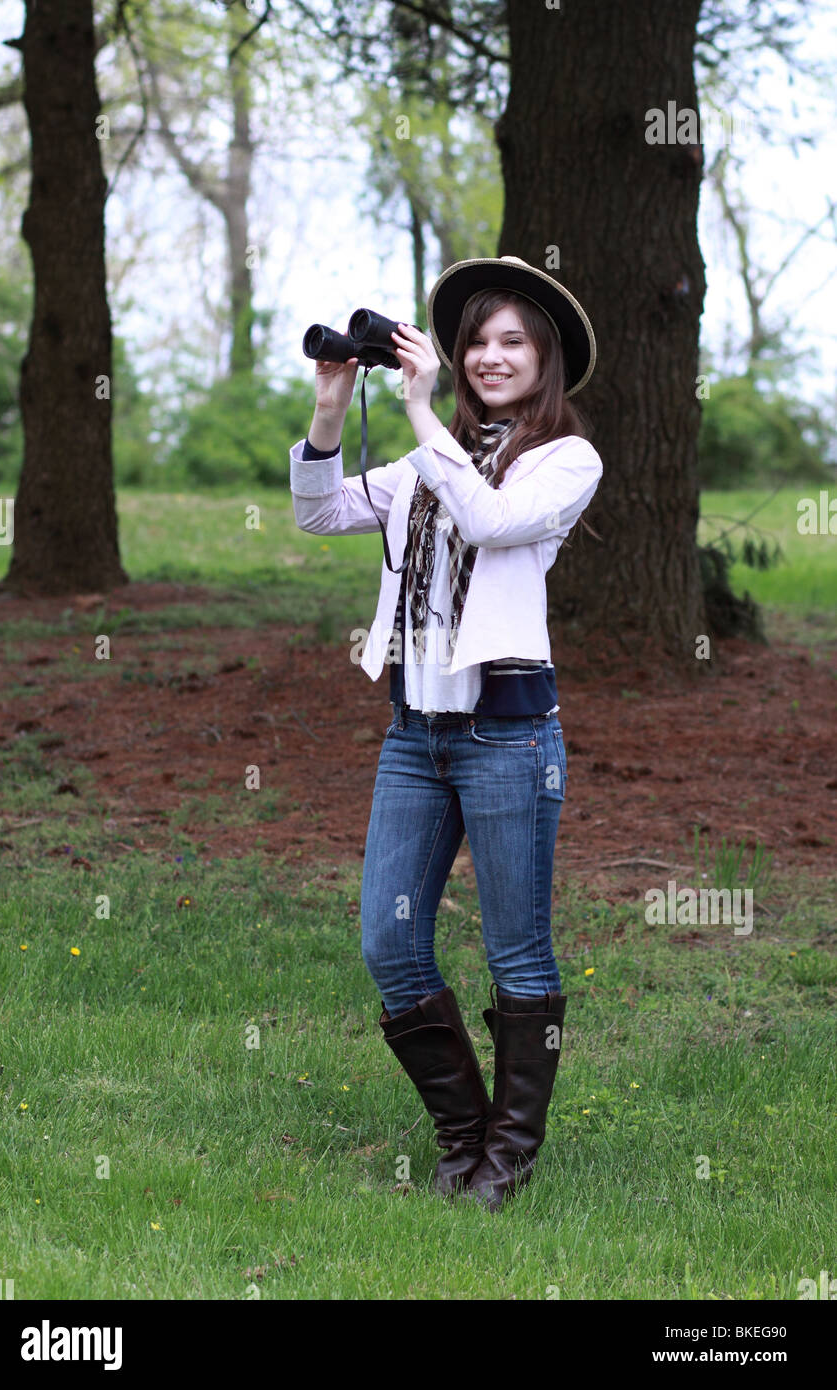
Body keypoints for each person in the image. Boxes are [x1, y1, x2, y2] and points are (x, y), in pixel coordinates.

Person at [289, 256, 603, 1211]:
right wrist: (333, 406)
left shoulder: (565, 462)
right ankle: (463, 1132)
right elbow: (320, 513)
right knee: (390, 944)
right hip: (415, 736)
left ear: (546, 362)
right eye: (478, 342)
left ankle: (507, 1155)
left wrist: (427, 416)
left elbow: (495, 520)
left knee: (518, 954)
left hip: (509, 737)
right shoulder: (427, 462)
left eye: (514, 342)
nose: (491, 356)